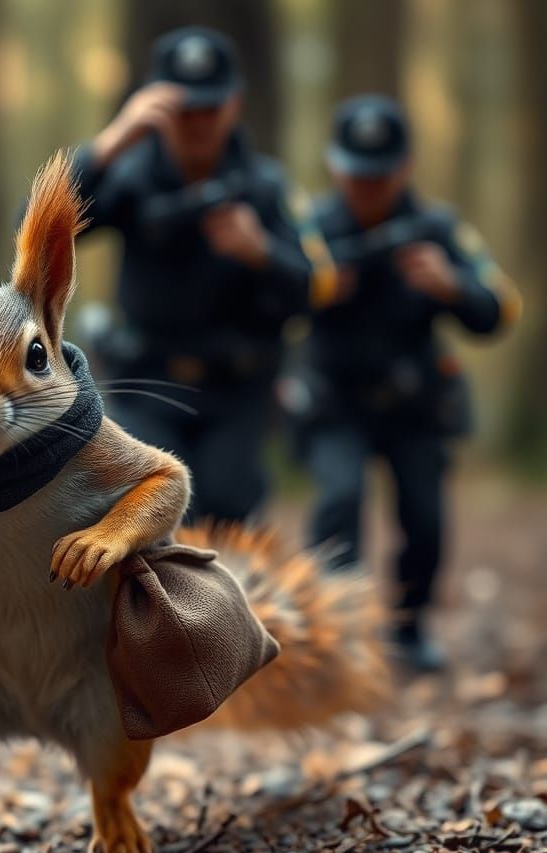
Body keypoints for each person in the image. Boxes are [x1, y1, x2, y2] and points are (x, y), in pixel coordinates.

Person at [68, 26, 333, 521]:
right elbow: (36, 226)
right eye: (182, 110)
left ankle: (222, 602)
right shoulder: (127, 176)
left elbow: (316, 287)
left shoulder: (265, 185)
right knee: (153, 505)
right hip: (146, 380)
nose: (197, 124)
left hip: (237, 390)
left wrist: (262, 252)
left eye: (209, 108)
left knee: (229, 508)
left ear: (233, 104)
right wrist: (109, 143)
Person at [298, 95, 521, 672]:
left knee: (424, 516)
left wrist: (451, 286)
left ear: (405, 166)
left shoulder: (437, 228)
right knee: (339, 499)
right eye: (354, 173)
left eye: (378, 174)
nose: (366, 187)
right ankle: (339, 633)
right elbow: (260, 305)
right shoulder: (310, 229)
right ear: (334, 165)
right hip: (335, 400)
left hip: (417, 402)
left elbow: (500, 307)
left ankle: (410, 629)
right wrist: (317, 290)